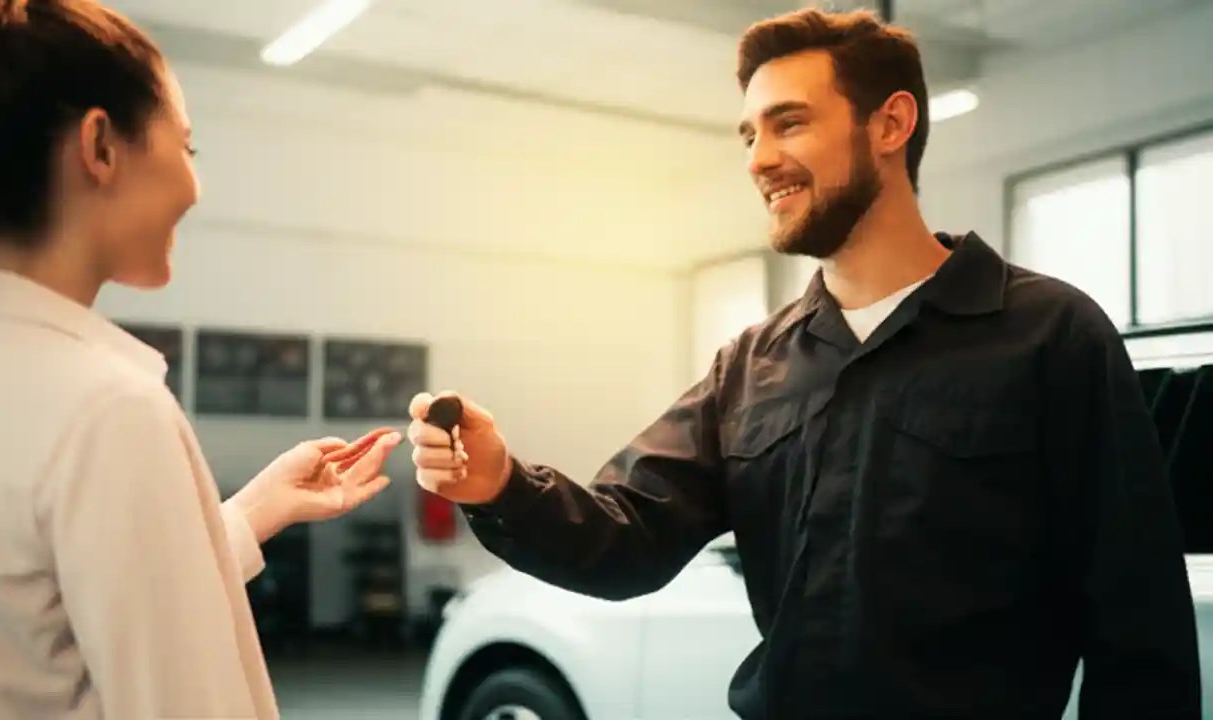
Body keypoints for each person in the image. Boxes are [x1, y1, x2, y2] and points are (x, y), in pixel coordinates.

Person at [407, 8, 1201, 719]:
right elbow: (628, 543)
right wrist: (502, 485)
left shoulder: (1049, 334)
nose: (759, 158)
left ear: (890, 124)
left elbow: (1138, 622)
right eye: (750, 134)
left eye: (788, 124)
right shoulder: (750, 366)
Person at [0, 1, 400, 718]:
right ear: (101, 147)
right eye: (188, 147)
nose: (193, 183)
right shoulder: (105, 409)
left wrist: (249, 513)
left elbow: (44, 615)